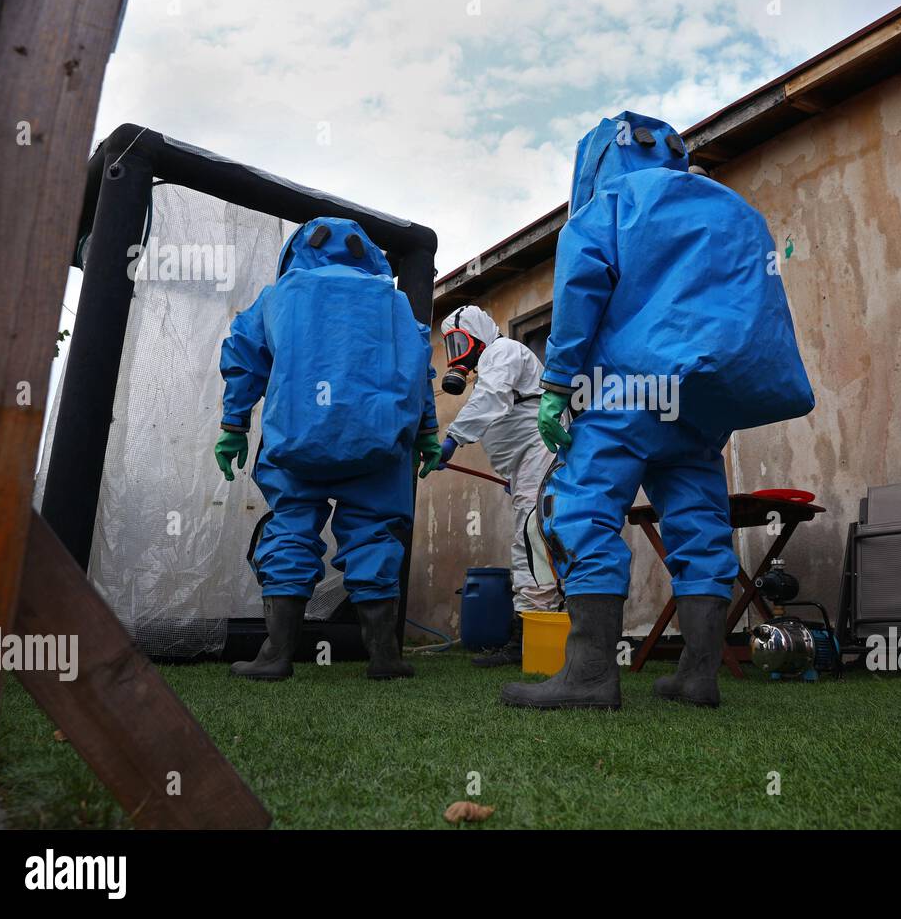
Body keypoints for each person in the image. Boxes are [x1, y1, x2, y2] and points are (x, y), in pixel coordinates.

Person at [500, 111, 814, 711]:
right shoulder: (734, 209)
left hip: (624, 394)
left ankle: (590, 675)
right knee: (699, 524)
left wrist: (559, 384)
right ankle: (699, 676)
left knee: (586, 511)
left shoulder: (610, 202)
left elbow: (578, 294)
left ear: (596, 161)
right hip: (697, 404)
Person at [214, 217, 442, 681]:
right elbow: (419, 368)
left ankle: (276, 655)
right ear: (367, 253)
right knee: (376, 536)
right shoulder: (395, 302)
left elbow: (243, 354)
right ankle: (384, 657)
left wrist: (233, 425)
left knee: (290, 533)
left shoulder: (279, 297)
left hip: (298, 439)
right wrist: (427, 434)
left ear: (298, 250)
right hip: (379, 443)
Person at [434, 304, 559, 666]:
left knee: (531, 536)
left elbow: (492, 400)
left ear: (478, 333)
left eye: (461, 342)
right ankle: (533, 630)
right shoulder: (494, 363)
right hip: (526, 464)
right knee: (533, 536)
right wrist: (511, 476)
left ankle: (530, 636)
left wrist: (452, 439)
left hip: (539, 457)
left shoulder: (503, 351)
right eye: (451, 346)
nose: (459, 354)